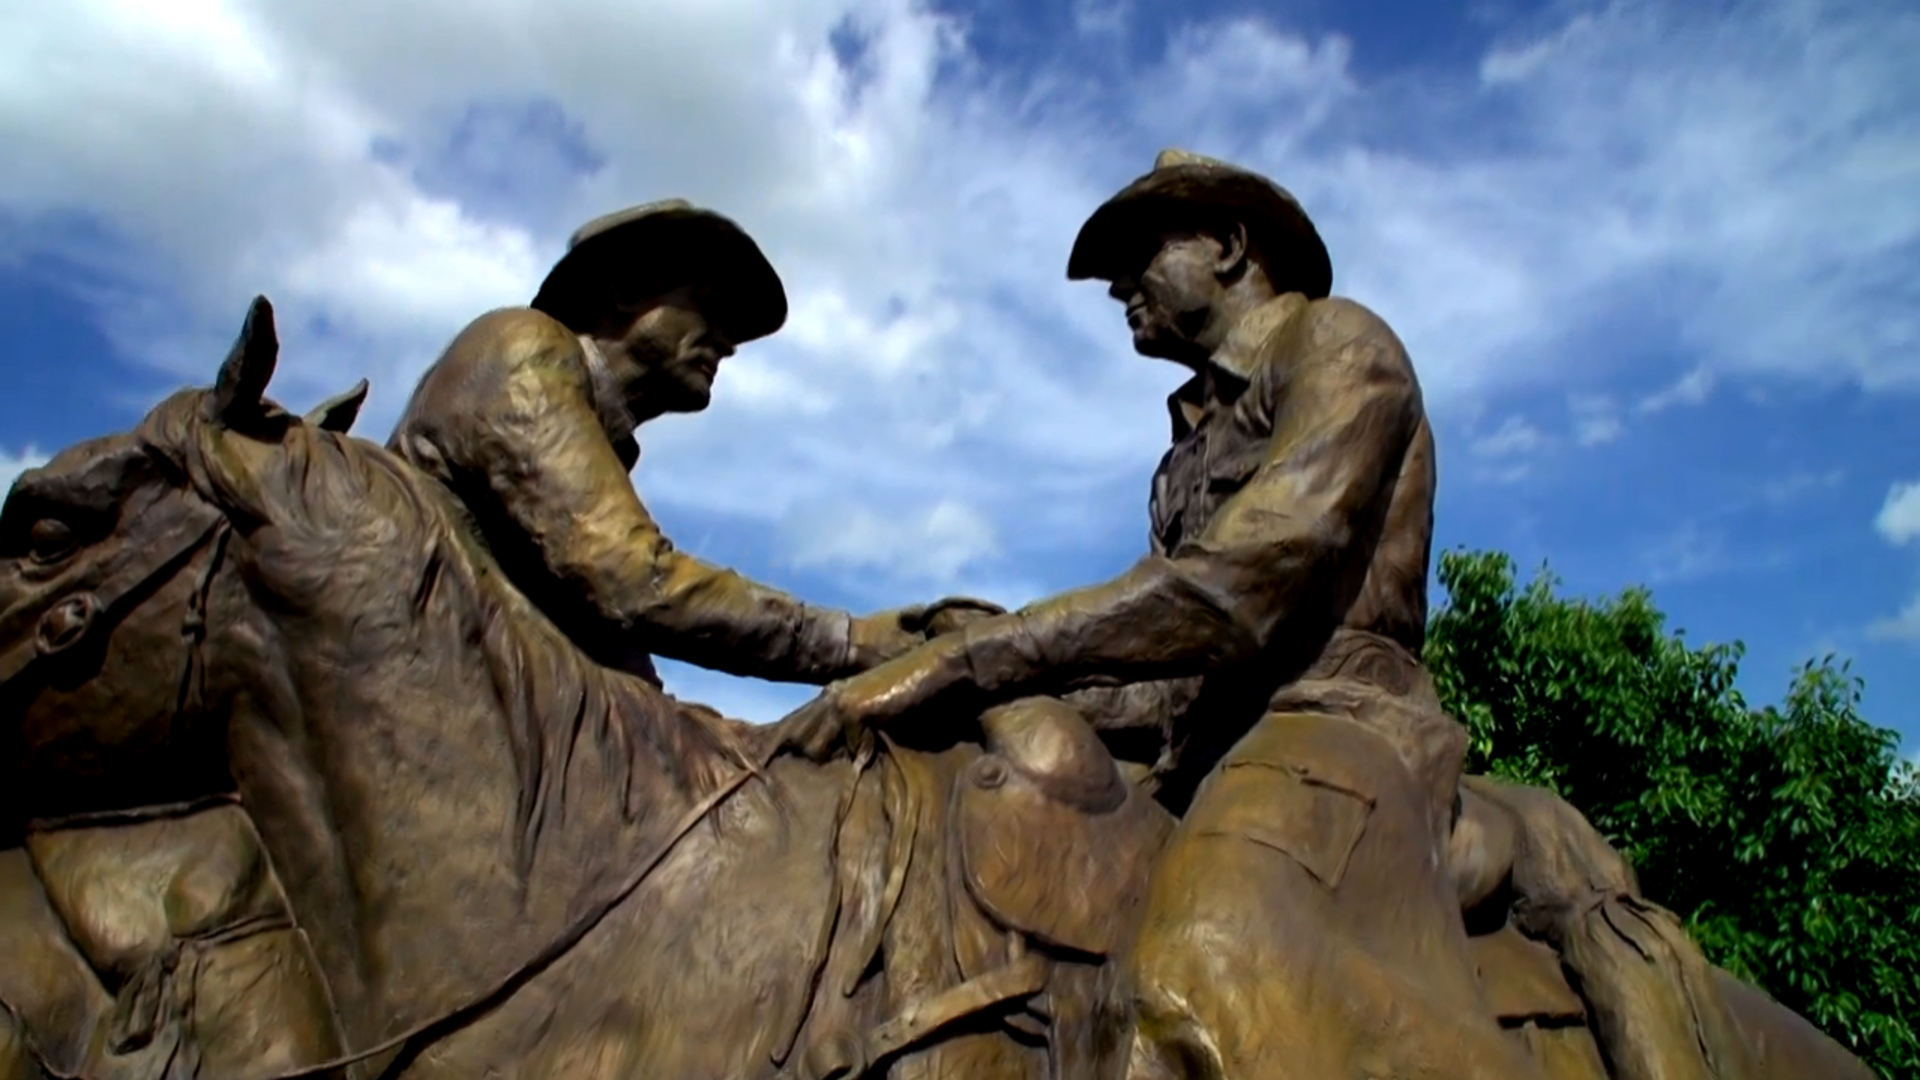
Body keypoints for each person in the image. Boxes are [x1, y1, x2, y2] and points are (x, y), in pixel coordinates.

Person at [778, 150, 1536, 1077]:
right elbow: (1166, 675)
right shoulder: (1183, 447)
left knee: (1204, 965)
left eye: (1138, 254)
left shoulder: (1339, 347)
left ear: (1227, 246)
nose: (1114, 288)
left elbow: (1238, 587)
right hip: (1205, 749)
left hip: (1337, 730)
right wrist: (977, 677)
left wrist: (971, 659)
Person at [389, 200, 988, 692]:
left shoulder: (598, 442)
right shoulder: (523, 346)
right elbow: (634, 581)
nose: (728, 343)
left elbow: (626, 677)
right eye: (710, 305)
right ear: (625, 287)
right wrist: (854, 641)